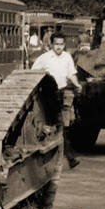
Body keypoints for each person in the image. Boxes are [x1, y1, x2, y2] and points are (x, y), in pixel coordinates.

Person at [32, 32, 82, 169]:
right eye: (56, 44)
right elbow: (33, 72)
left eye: (61, 44)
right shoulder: (45, 58)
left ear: (64, 45)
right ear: (51, 44)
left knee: (64, 125)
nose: (59, 47)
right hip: (49, 96)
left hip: (63, 93)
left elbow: (71, 74)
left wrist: (77, 84)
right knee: (58, 124)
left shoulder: (67, 57)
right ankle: (68, 157)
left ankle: (64, 157)